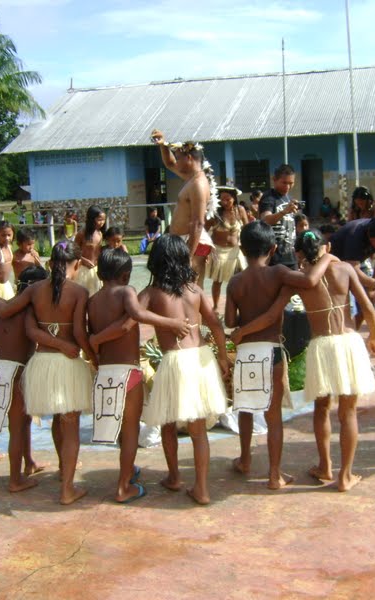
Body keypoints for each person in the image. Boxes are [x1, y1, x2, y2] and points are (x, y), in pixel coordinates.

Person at [248, 229, 375, 491]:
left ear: (299, 255)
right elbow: (367, 306)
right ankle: (345, 476)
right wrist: (374, 336)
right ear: (326, 246)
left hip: (321, 345)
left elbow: (274, 313)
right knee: (348, 411)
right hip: (349, 341)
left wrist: (244, 330)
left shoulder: (297, 279)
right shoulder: (345, 268)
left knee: (322, 407)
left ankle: (326, 465)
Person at [225, 221, 340, 489]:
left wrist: (246, 318)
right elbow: (310, 280)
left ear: (241, 248)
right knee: (272, 413)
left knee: (245, 408)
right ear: (274, 248)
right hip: (272, 351)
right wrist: (327, 257)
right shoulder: (278, 273)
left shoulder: (235, 281)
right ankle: (274, 474)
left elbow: (231, 320)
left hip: (245, 352)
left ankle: (244, 459)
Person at [87, 248, 192, 503]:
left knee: (122, 428)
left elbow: (94, 334)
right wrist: (172, 323)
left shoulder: (93, 300)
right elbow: (132, 319)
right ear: (125, 275)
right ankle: (124, 486)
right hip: (128, 372)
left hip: (105, 372)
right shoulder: (127, 292)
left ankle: (127, 470)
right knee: (131, 428)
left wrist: (95, 342)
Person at [0, 240, 94, 505]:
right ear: (76, 265)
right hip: (67, 363)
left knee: (57, 419)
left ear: (50, 264)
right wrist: (93, 357)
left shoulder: (35, 290)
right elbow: (80, 334)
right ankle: (67, 488)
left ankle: (64, 468)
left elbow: (9, 314)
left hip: (41, 363)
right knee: (70, 425)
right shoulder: (79, 292)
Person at [139, 235, 229, 505]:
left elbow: (131, 312)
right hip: (200, 358)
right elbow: (215, 324)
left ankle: (175, 476)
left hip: (175, 360)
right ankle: (201, 488)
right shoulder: (196, 290)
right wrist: (223, 356)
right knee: (198, 428)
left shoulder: (152, 293)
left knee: (168, 421)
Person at [0, 265, 50, 493]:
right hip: (17, 372)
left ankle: (28, 462)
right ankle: (15, 479)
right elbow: (35, 334)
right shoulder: (30, 312)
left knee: (23, 422)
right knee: (18, 427)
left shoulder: (3, 309)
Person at [150, 130, 216, 280]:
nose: (177, 162)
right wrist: (163, 145)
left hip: (192, 243)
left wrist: (187, 256)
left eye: (179, 157)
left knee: (191, 289)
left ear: (189, 158)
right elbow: (169, 163)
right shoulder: (191, 178)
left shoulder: (198, 184)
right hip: (181, 241)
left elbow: (198, 223)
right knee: (181, 289)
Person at [327, 216, 375, 320]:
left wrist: (373, 286)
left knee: (368, 301)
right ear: (368, 234)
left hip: (359, 260)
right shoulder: (355, 234)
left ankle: (360, 333)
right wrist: (374, 283)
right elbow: (352, 269)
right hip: (336, 261)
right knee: (347, 305)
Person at [205, 185, 249, 313]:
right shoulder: (215, 213)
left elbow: (247, 228)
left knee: (240, 280)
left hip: (235, 252)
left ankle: (240, 306)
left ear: (234, 198)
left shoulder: (240, 210)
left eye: (228, 199)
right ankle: (215, 306)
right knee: (217, 281)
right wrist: (207, 250)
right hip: (219, 252)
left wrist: (248, 248)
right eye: (222, 199)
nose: (224, 202)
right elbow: (203, 231)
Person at [259, 164, 299, 269]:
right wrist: (284, 212)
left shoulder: (288, 198)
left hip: (291, 255)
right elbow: (265, 220)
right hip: (274, 257)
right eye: (284, 183)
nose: (287, 187)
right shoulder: (269, 197)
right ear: (274, 180)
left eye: (291, 183)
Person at [74, 205, 107, 296]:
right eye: (99, 219)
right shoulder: (81, 234)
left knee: (95, 294)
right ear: (91, 219)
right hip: (83, 270)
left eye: (103, 220)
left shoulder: (100, 234)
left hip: (95, 270)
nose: (102, 222)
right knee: (82, 295)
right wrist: (84, 260)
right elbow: (73, 251)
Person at [0, 220, 16, 300]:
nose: (7, 238)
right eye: (3, 235)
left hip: (6, 285)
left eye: (9, 235)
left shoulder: (9, 247)